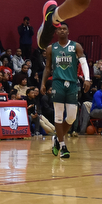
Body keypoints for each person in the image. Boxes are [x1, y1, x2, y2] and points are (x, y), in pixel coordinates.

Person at [41, 22, 91, 159]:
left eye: (64, 29)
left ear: (68, 31)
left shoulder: (76, 46)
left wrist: (87, 78)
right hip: (57, 83)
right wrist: (43, 83)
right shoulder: (51, 48)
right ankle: (63, 146)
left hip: (72, 84)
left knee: (71, 117)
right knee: (58, 115)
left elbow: (84, 62)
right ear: (56, 32)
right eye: (59, 29)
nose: (62, 31)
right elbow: (47, 68)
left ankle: (57, 138)